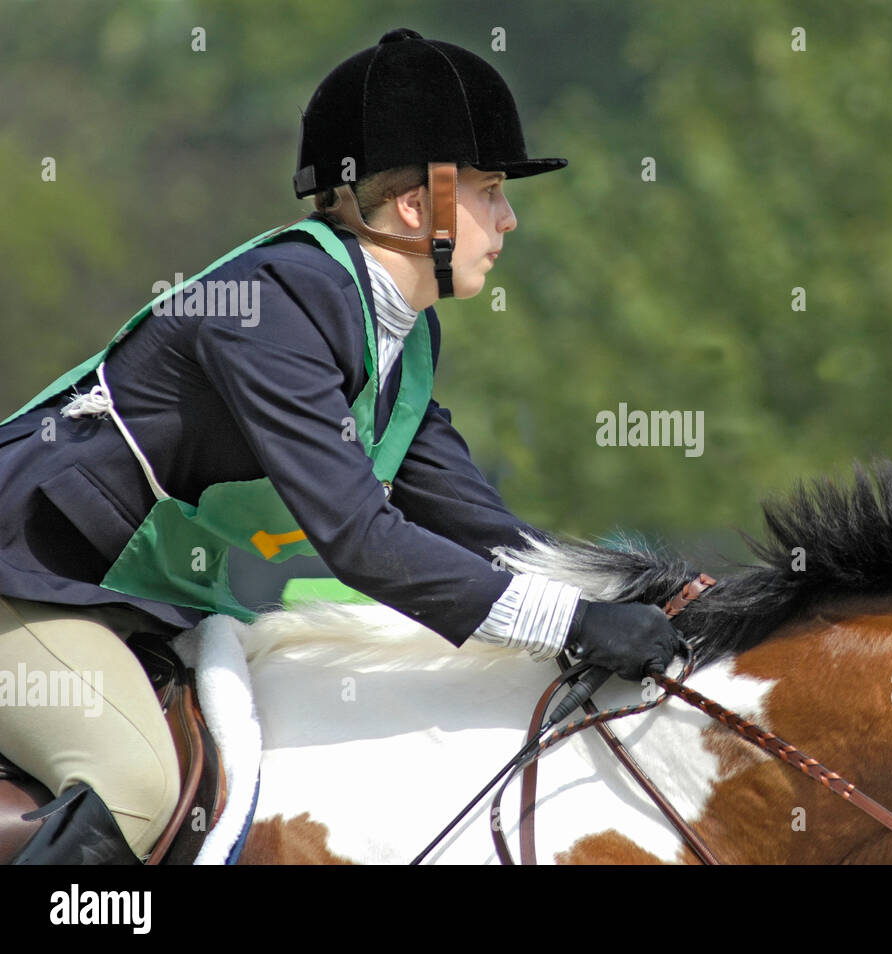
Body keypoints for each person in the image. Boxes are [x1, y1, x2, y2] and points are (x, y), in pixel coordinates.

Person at [0, 28, 681, 864]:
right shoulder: (271, 308)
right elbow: (361, 540)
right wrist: (569, 623)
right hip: (22, 580)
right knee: (135, 790)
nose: (508, 218)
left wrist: (671, 600)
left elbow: (488, 534)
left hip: (110, 602)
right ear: (417, 206)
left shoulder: (401, 340)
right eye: (492, 191)